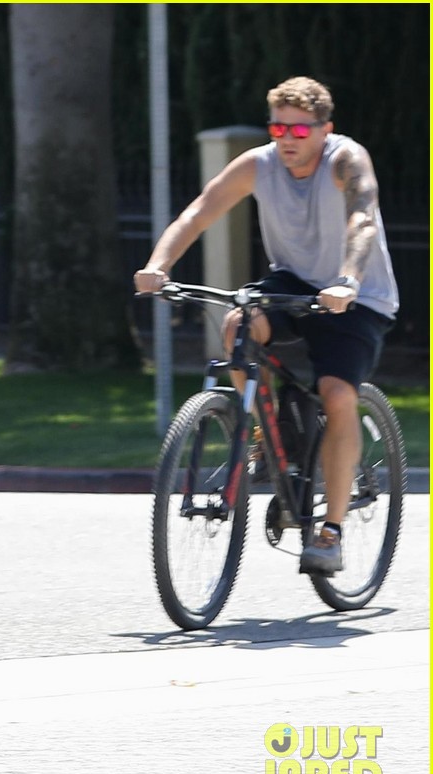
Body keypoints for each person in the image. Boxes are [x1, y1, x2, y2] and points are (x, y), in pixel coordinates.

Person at [134, 76, 399, 576]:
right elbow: (198, 212)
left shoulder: (345, 159)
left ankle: (330, 532)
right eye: (279, 126)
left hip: (357, 295)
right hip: (293, 282)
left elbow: (362, 218)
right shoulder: (258, 164)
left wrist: (346, 280)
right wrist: (158, 265)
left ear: (325, 129)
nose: (288, 138)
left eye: (301, 129)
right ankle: (263, 428)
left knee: (338, 393)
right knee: (238, 324)